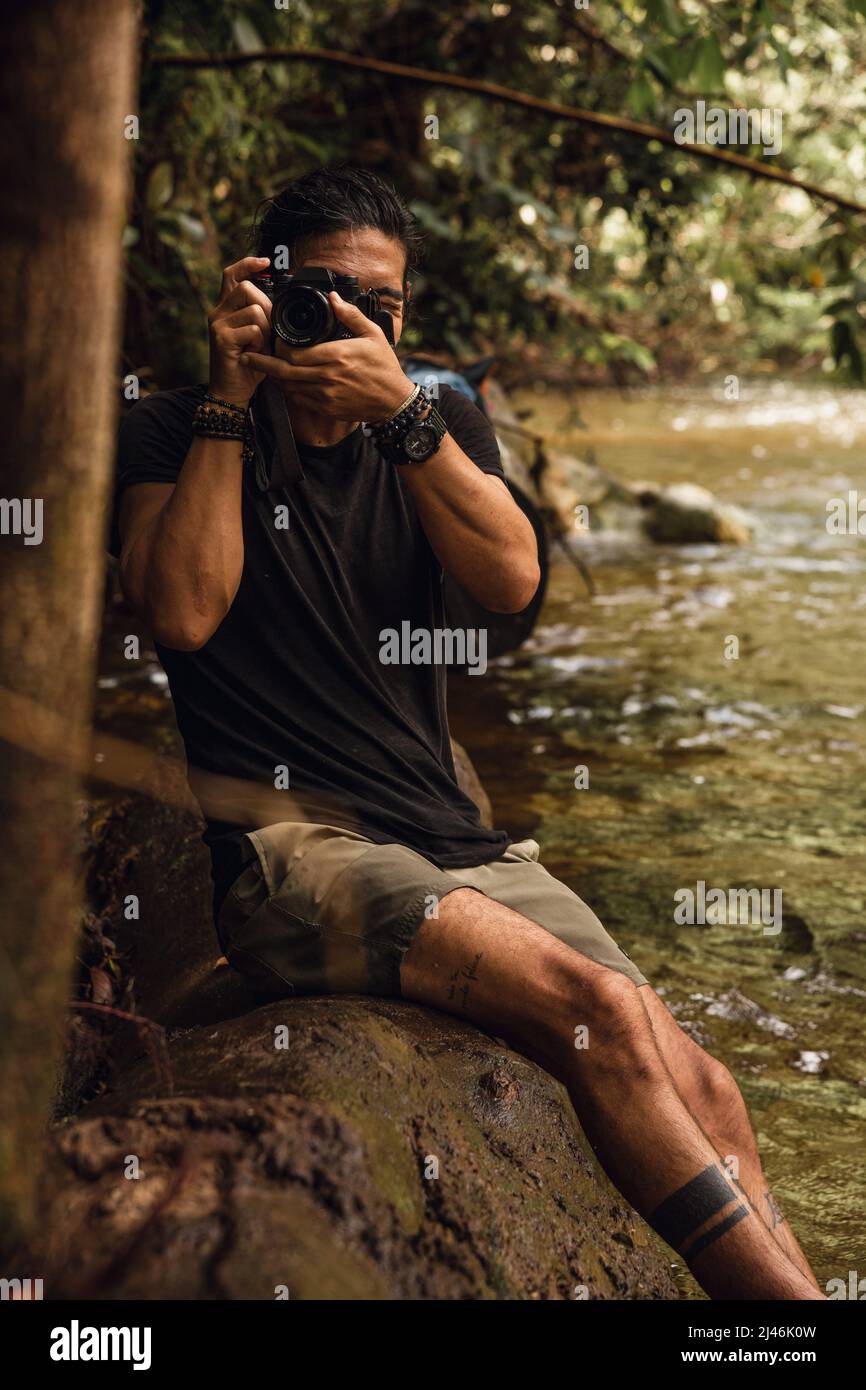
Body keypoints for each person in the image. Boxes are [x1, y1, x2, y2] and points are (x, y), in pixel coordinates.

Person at [112, 165, 823, 1301]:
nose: (347, 319)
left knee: (709, 1086)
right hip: (298, 852)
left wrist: (404, 412)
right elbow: (183, 610)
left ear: (404, 316)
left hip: (457, 842)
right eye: (320, 292)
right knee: (593, 1014)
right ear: (262, 290)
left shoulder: (432, 420)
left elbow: (508, 578)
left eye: (378, 304)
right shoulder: (172, 427)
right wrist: (226, 398)